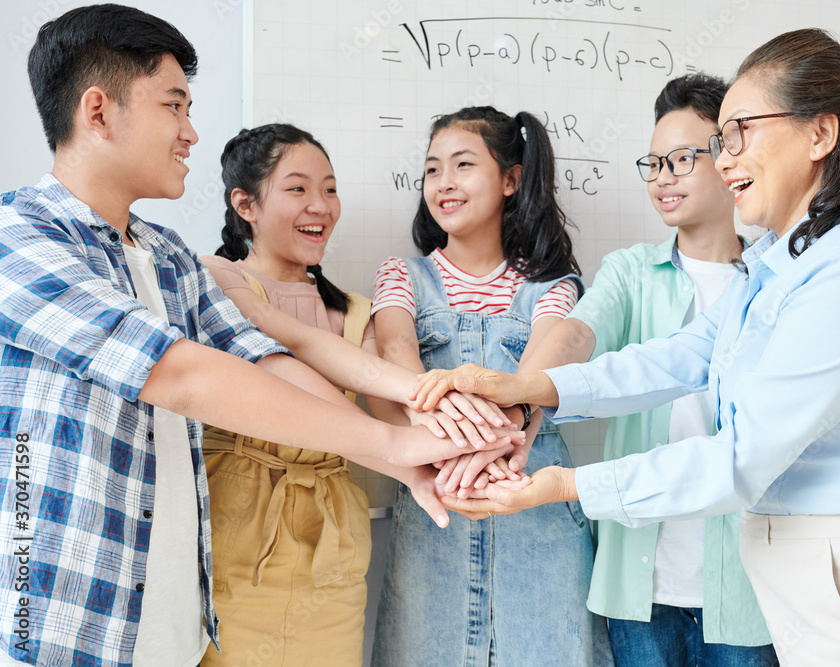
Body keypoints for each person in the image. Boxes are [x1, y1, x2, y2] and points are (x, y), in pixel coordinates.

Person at [414, 29, 840, 667]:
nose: (726, 157)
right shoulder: (781, 266)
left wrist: (562, 484)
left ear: (821, 134)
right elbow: (684, 355)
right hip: (812, 574)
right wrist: (532, 387)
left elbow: (740, 458)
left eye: (739, 133)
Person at [0, 7, 512, 666]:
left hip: (178, 632)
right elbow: (181, 373)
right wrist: (394, 438)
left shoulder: (165, 255)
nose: (190, 132)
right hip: (68, 632)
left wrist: (403, 460)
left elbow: (265, 357)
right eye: (174, 105)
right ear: (98, 111)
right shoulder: (20, 238)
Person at [199, 124, 517, 666]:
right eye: (298, 189)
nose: (320, 205)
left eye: (329, 188)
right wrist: (439, 401)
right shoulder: (212, 278)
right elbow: (295, 363)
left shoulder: (355, 309)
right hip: (237, 524)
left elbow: (391, 407)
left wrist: (476, 449)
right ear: (245, 203)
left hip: (334, 540)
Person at [508, 74, 776, 666]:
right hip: (640, 582)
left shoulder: (774, 281)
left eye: (681, 159)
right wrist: (519, 398)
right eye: (652, 163)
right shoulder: (631, 270)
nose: (662, 177)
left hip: (747, 583)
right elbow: (578, 332)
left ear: (731, 154)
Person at [370, 106, 613, 666]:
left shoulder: (555, 286)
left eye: (462, 165)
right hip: (438, 510)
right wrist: (457, 450)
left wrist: (487, 446)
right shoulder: (402, 275)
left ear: (511, 179)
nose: (443, 184)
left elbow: (535, 376)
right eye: (432, 170)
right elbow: (398, 356)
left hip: (534, 509)